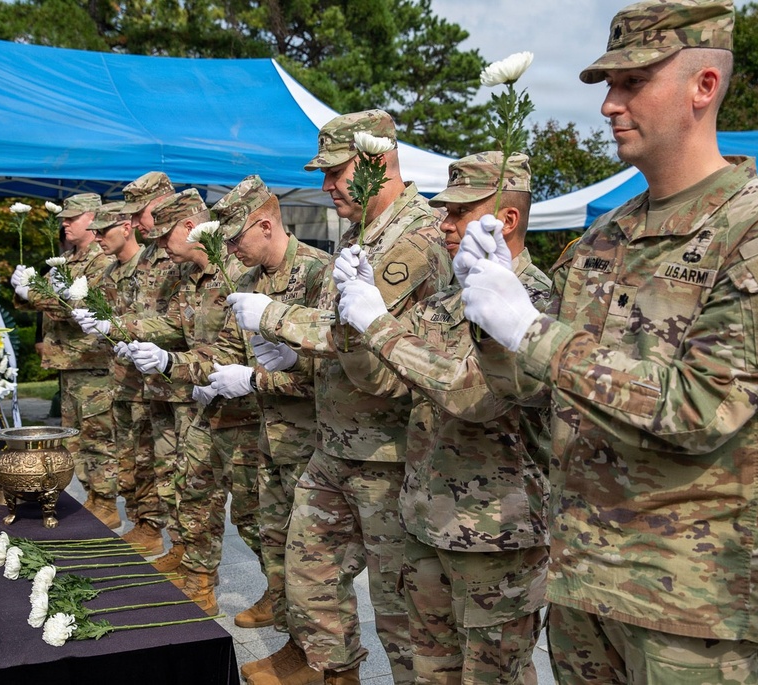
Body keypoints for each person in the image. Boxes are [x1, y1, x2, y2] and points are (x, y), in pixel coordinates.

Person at [459, 1, 758, 682]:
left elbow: (701, 411)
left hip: (688, 606)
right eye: (608, 85)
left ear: (704, 87)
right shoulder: (604, 238)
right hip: (582, 588)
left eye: (633, 81)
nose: (609, 104)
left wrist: (531, 328)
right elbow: (529, 390)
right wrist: (490, 312)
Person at [229, 109, 452, 685]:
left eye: (337, 171)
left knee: (400, 608)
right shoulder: (360, 233)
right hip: (337, 441)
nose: (327, 185)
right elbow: (334, 327)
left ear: (378, 161)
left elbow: (359, 331)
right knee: (308, 575)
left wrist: (274, 315)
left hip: (390, 452)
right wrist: (293, 353)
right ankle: (333, 673)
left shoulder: (417, 236)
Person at [336, 152, 550, 684]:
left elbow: (472, 396)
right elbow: (390, 383)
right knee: (429, 671)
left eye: (460, 212)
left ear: (507, 220)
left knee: (493, 676)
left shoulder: (536, 302)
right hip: (427, 520)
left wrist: (380, 326)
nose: (444, 223)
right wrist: (353, 321)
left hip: (495, 536)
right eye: (444, 211)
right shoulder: (450, 299)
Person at [201, 176, 329, 658]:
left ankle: (315, 656)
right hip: (269, 438)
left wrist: (257, 380)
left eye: (236, 238)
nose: (230, 250)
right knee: (274, 543)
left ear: (266, 224)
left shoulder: (320, 274)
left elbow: (334, 373)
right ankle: (290, 635)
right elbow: (231, 355)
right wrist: (184, 367)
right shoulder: (251, 285)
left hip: (314, 445)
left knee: (311, 561)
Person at [126, 190, 256, 617]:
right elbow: (178, 328)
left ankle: (280, 592)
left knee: (256, 516)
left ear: (189, 227)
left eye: (166, 235)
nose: (161, 245)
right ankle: (199, 582)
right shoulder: (190, 277)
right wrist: (123, 328)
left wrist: (194, 367)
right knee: (193, 489)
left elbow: (247, 342)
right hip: (203, 397)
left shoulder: (235, 269)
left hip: (248, 408)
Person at [75, 171, 178, 557]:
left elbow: (176, 320)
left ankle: (159, 530)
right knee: (134, 456)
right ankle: (144, 523)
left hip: (167, 380)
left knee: (164, 464)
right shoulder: (126, 266)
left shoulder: (172, 257)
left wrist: (120, 329)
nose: (136, 223)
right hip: (129, 379)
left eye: (140, 214)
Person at [10, 192, 118, 527]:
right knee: (75, 438)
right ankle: (92, 496)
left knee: (98, 437)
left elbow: (79, 307)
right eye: (63, 219)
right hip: (70, 362)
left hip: (93, 362)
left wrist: (36, 292)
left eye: (71, 218)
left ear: (91, 218)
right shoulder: (69, 259)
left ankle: (107, 503)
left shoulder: (102, 260)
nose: (65, 224)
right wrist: (25, 289)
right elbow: (42, 300)